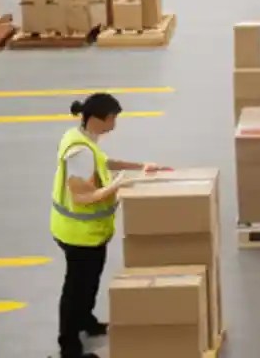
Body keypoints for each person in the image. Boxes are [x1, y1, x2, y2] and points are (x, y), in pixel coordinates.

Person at [52, 93, 166, 358]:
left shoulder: (84, 139)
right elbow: (80, 197)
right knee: (76, 287)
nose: (115, 123)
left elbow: (103, 162)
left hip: (90, 234)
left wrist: (140, 167)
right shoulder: (79, 151)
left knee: (90, 281)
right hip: (78, 234)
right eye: (113, 118)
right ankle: (69, 345)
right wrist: (117, 186)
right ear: (98, 119)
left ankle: (86, 321)